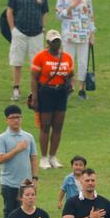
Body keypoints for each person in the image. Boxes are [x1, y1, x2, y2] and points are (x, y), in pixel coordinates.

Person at [29, 31, 73, 169]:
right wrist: (35, 97)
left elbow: (71, 73)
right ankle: (43, 157)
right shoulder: (40, 57)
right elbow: (34, 78)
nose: (56, 43)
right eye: (53, 41)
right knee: (45, 125)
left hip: (61, 92)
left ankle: (53, 156)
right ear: (47, 43)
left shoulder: (67, 57)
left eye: (58, 40)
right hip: (46, 92)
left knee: (58, 125)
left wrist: (70, 85)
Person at [7, 0, 48, 101]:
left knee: (36, 64)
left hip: (36, 33)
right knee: (17, 61)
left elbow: (44, 12)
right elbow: (10, 11)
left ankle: (34, 89)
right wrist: (13, 29)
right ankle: (16, 88)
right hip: (20, 31)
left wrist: (43, 27)